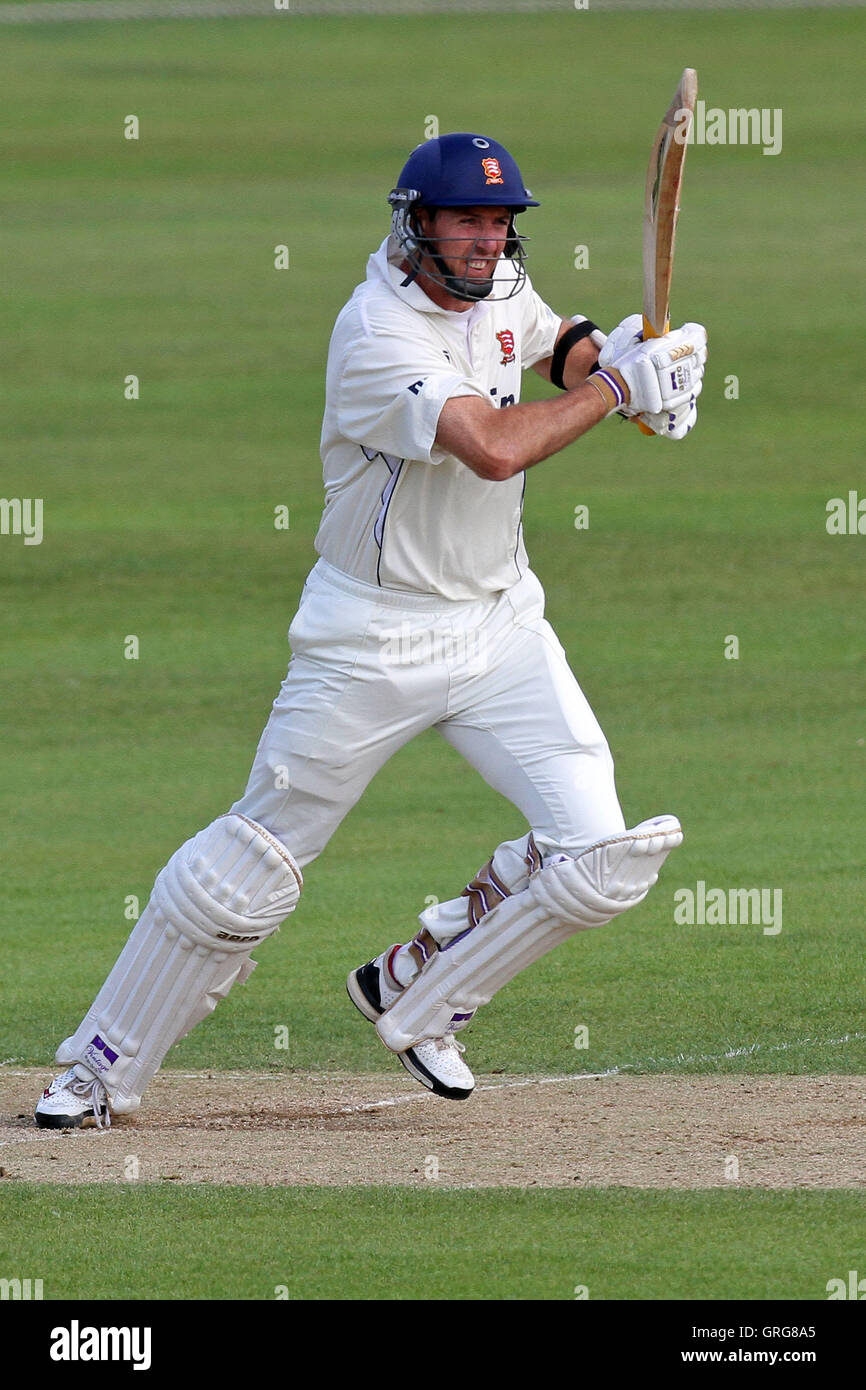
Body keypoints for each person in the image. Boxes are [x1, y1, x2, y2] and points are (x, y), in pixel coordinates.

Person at [35, 132, 705, 1128]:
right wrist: (613, 395)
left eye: (500, 222)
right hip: (368, 638)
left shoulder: (497, 287)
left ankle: (419, 982)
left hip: (498, 625)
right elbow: (485, 446)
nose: (488, 241)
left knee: (598, 854)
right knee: (246, 872)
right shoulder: (373, 334)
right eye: (468, 222)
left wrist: (624, 362)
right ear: (418, 224)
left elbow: (552, 337)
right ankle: (101, 1064)